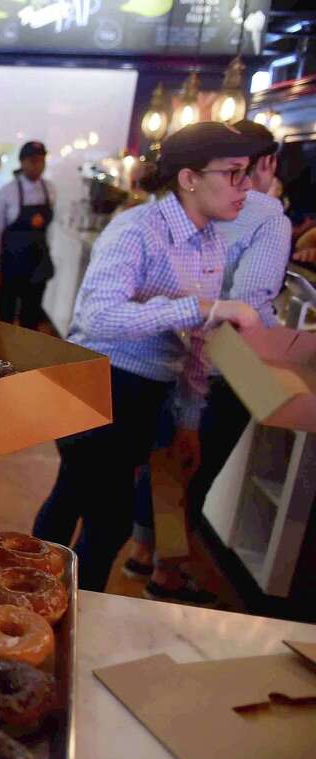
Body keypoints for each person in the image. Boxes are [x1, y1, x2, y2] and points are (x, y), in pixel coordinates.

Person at [30, 122, 263, 592]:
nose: (248, 186)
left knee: (80, 498)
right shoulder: (137, 229)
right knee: (105, 514)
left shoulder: (211, 241)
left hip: (147, 393)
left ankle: (47, 597)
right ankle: (53, 598)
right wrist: (200, 307)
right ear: (190, 178)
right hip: (98, 380)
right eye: (235, 173)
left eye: (249, 173)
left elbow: (198, 342)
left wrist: (189, 419)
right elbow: (99, 316)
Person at [123, 119, 292, 603]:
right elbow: (251, 302)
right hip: (219, 363)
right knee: (198, 464)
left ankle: (142, 552)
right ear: (266, 163)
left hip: (167, 352)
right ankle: (167, 573)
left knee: (166, 460)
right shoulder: (265, 215)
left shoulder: (174, 206)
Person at [0, 141, 55, 329]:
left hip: (38, 264)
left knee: (31, 318)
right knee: (6, 317)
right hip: (11, 264)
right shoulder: (7, 192)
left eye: (42, 160)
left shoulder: (50, 190)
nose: (38, 165)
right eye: (33, 160)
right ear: (22, 162)